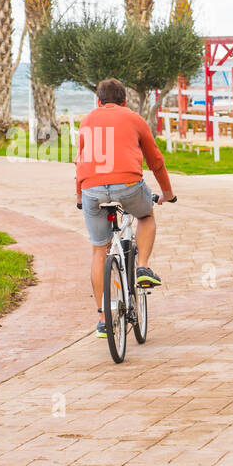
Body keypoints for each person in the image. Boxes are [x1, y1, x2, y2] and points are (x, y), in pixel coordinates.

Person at [75, 78, 176, 338]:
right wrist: (167, 193)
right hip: (129, 186)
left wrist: (79, 197)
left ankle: (102, 318)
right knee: (146, 214)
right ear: (124, 101)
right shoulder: (134, 118)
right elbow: (156, 161)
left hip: (92, 190)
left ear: (98, 101)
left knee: (99, 250)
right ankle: (142, 266)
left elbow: (80, 162)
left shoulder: (87, 121)